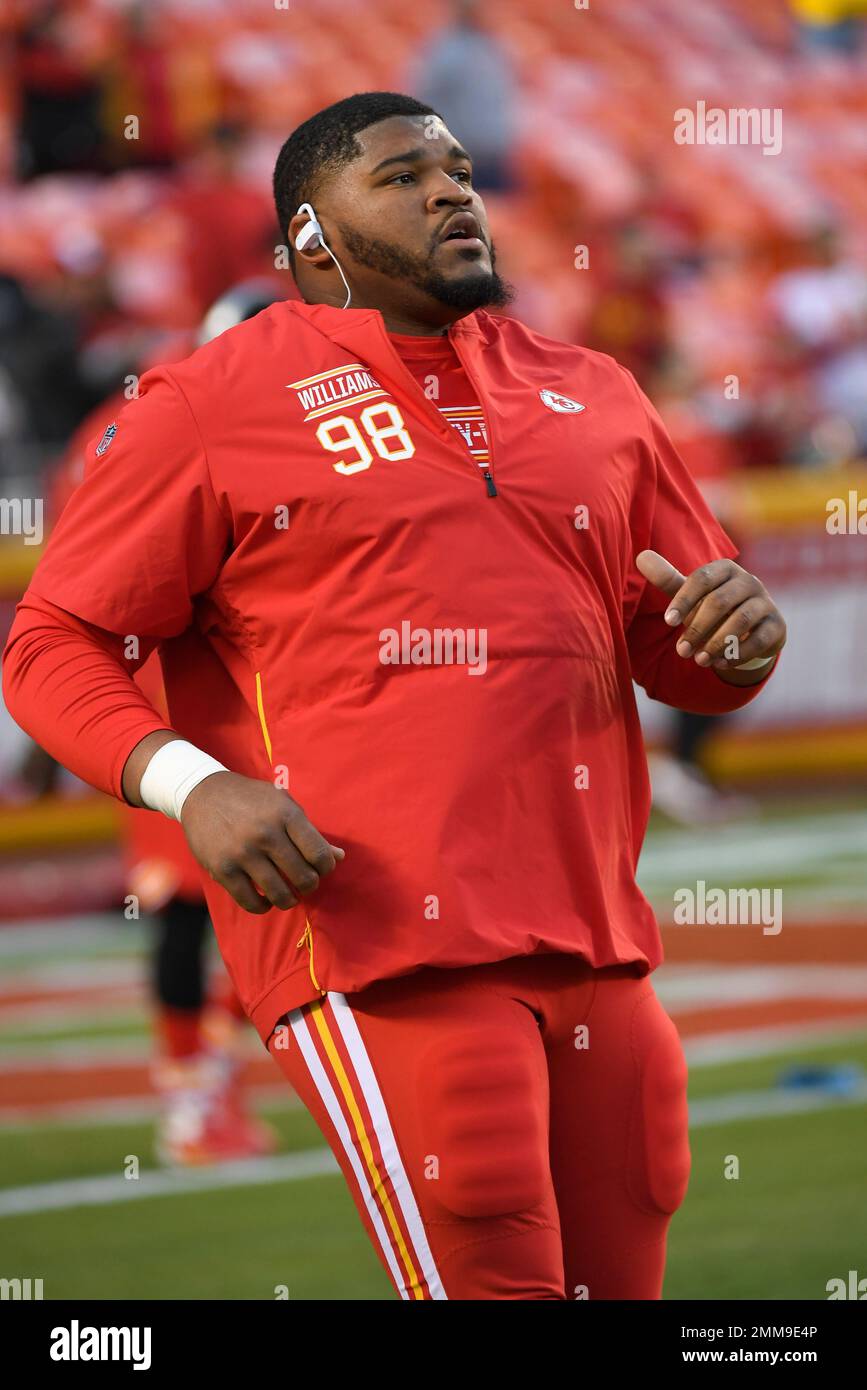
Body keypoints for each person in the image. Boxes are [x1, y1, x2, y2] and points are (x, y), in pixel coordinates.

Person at [2, 91, 786, 1300]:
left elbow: (680, 651)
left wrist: (737, 646)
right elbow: (50, 638)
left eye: (462, 168)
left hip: (597, 934)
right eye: (404, 173)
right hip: (375, 933)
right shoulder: (209, 401)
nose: (451, 189)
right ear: (312, 235)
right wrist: (193, 787)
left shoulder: (598, 391)